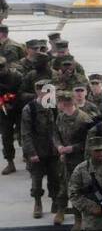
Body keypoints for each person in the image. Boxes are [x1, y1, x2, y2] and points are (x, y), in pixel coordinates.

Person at [53, 89, 94, 231]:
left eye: (60, 102)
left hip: (78, 160)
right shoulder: (60, 117)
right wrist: (59, 146)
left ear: (65, 103)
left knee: (76, 189)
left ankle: (78, 219)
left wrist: (72, 148)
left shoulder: (84, 119)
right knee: (62, 186)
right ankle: (60, 210)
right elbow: (55, 133)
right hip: (64, 159)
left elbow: (88, 142)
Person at [20, 79, 59, 219]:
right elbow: (25, 133)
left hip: (54, 151)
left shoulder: (55, 108)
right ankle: (38, 203)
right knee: (36, 181)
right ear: (37, 91)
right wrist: (31, 153)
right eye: (43, 90)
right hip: (37, 151)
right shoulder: (29, 109)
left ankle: (55, 201)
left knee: (55, 179)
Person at [0, 51, 22, 174]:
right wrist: (2, 103)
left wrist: (13, 104)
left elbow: (22, 92)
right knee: (6, 137)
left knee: (24, 134)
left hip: (18, 108)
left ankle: (30, 159)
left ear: (6, 66)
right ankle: (10, 162)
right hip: (3, 111)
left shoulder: (16, 76)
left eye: (1, 68)